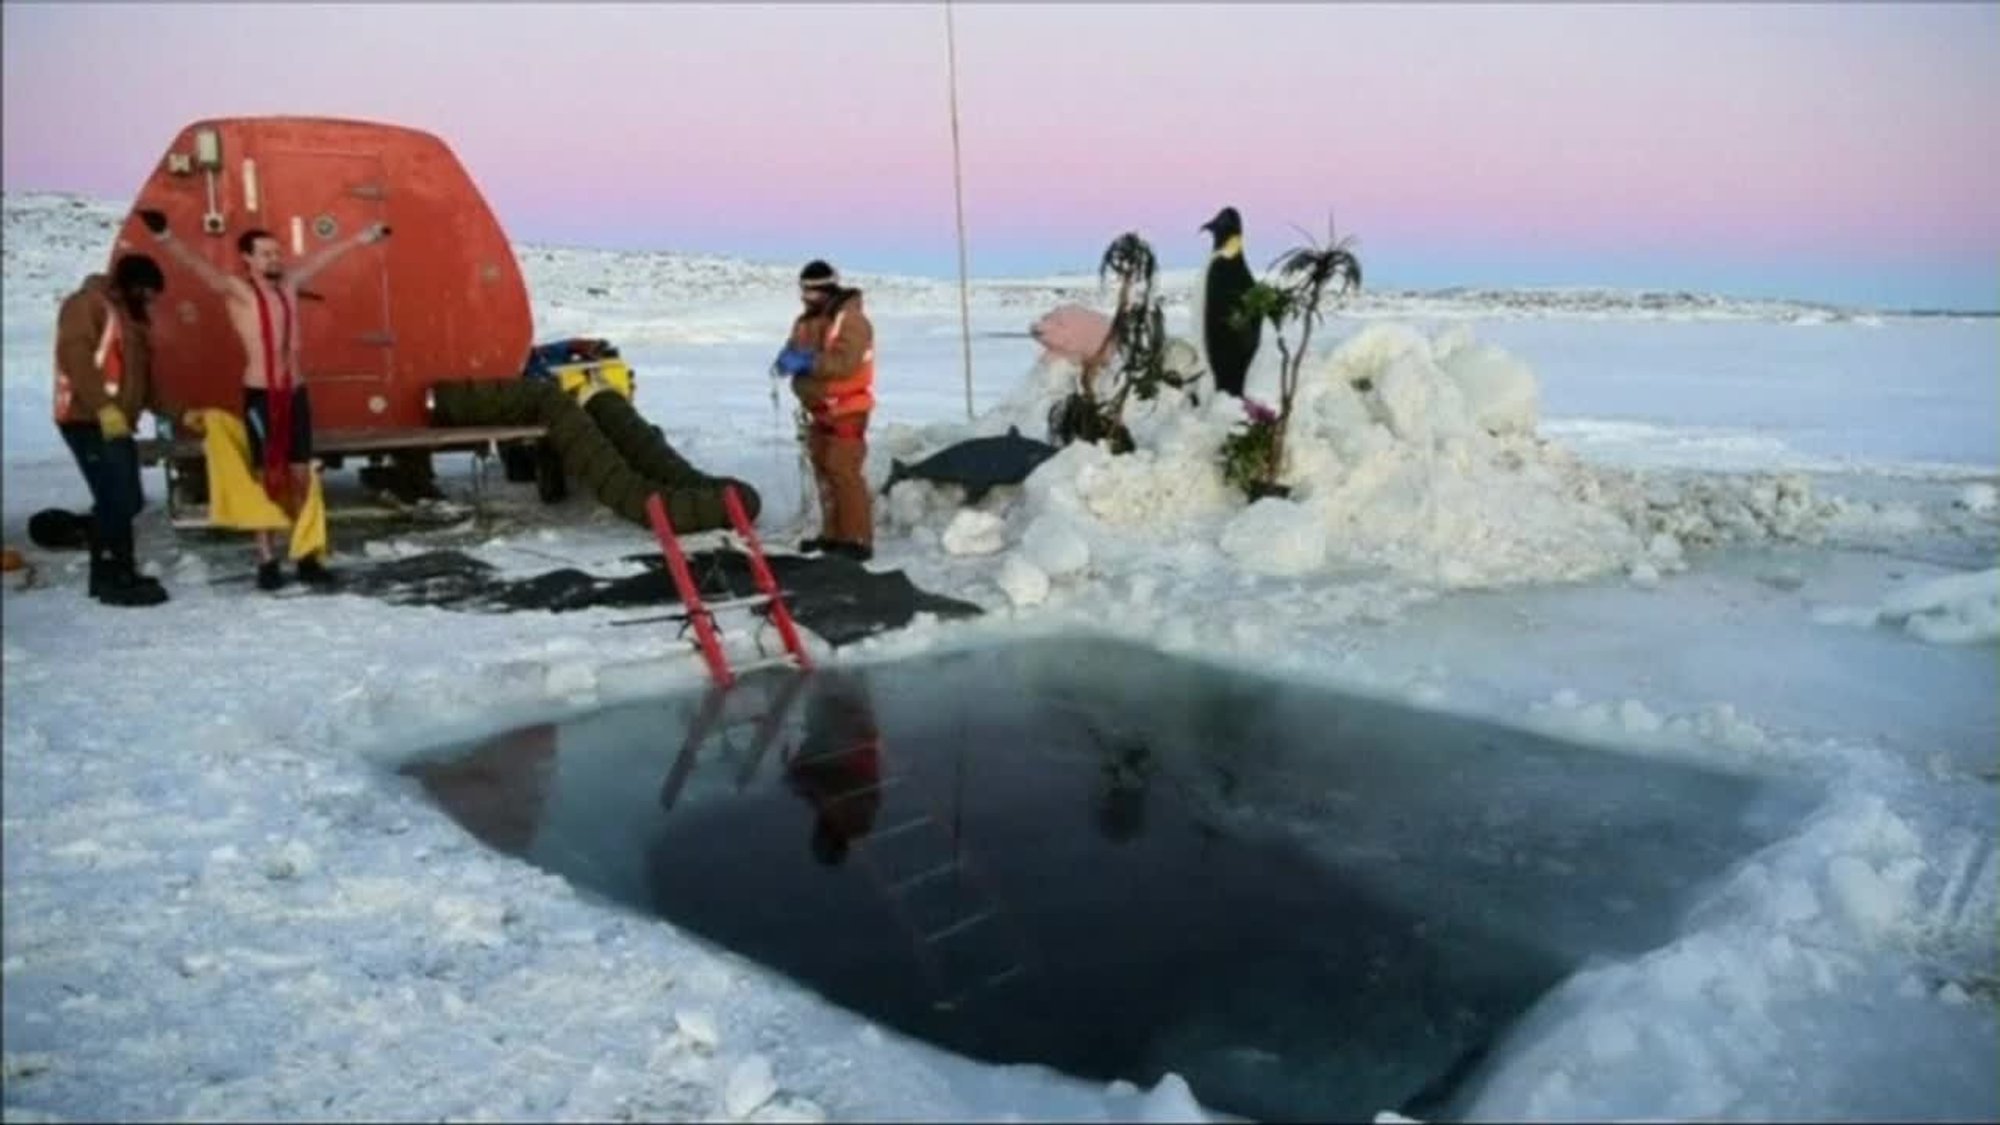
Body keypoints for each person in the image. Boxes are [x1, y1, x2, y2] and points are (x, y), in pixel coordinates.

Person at [138, 208, 391, 591]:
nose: (275, 258)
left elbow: (323, 258)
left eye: (277, 252)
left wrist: (360, 238)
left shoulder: (289, 285)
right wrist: (164, 236)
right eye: (266, 253)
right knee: (266, 478)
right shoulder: (238, 291)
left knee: (302, 476)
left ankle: (307, 555)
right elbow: (198, 267)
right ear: (248, 258)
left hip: (295, 392)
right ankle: (267, 561)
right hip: (261, 395)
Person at [51, 252, 197, 607]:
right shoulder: (86, 305)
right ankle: (112, 576)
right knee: (115, 498)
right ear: (130, 285)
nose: (149, 301)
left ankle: (117, 569)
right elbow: (76, 358)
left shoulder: (130, 320)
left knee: (127, 499)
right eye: (146, 293)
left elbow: (143, 384)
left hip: (114, 424)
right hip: (87, 420)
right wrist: (103, 406)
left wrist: (181, 415)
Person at [773, 259, 876, 562]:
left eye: (812, 290)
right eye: (803, 289)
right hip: (818, 409)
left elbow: (845, 363)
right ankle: (833, 535)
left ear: (828, 289)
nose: (806, 296)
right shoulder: (805, 322)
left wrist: (809, 362)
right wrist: (786, 359)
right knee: (823, 470)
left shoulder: (852, 320)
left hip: (847, 409)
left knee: (843, 471)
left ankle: (857, 539)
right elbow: (794, 348)